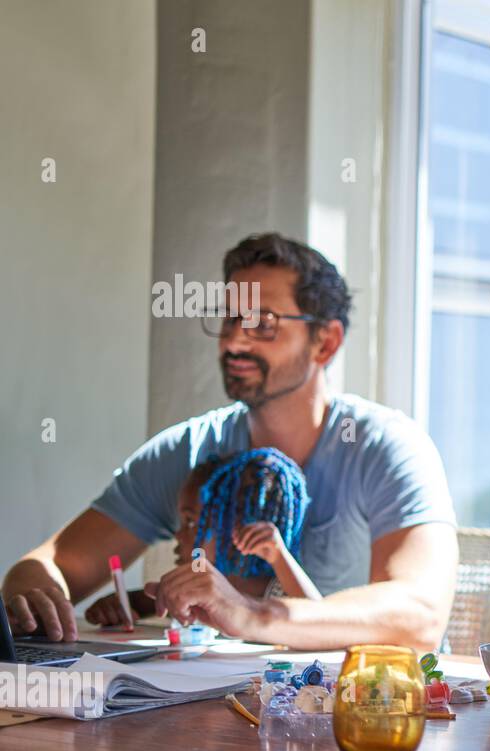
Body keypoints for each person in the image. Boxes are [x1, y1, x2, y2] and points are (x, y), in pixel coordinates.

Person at [3, 233, 458, 652]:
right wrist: (30, 590)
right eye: (230, 319)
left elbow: (419, 616)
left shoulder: (387, 448)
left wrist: (254, 615)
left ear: (325, 343)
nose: (234, 341)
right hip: (224, 717)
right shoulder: (188, 450)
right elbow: (54, 564)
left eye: (263, 323)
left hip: (365, 721)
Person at [85, 448, 320, 627]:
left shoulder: (278, 590)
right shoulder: (197, 583)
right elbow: (149, 601)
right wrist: (122, 605)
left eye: (191, 522)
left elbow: (319, 622)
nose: (178, 534)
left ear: (237, 530)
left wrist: (279, 556)